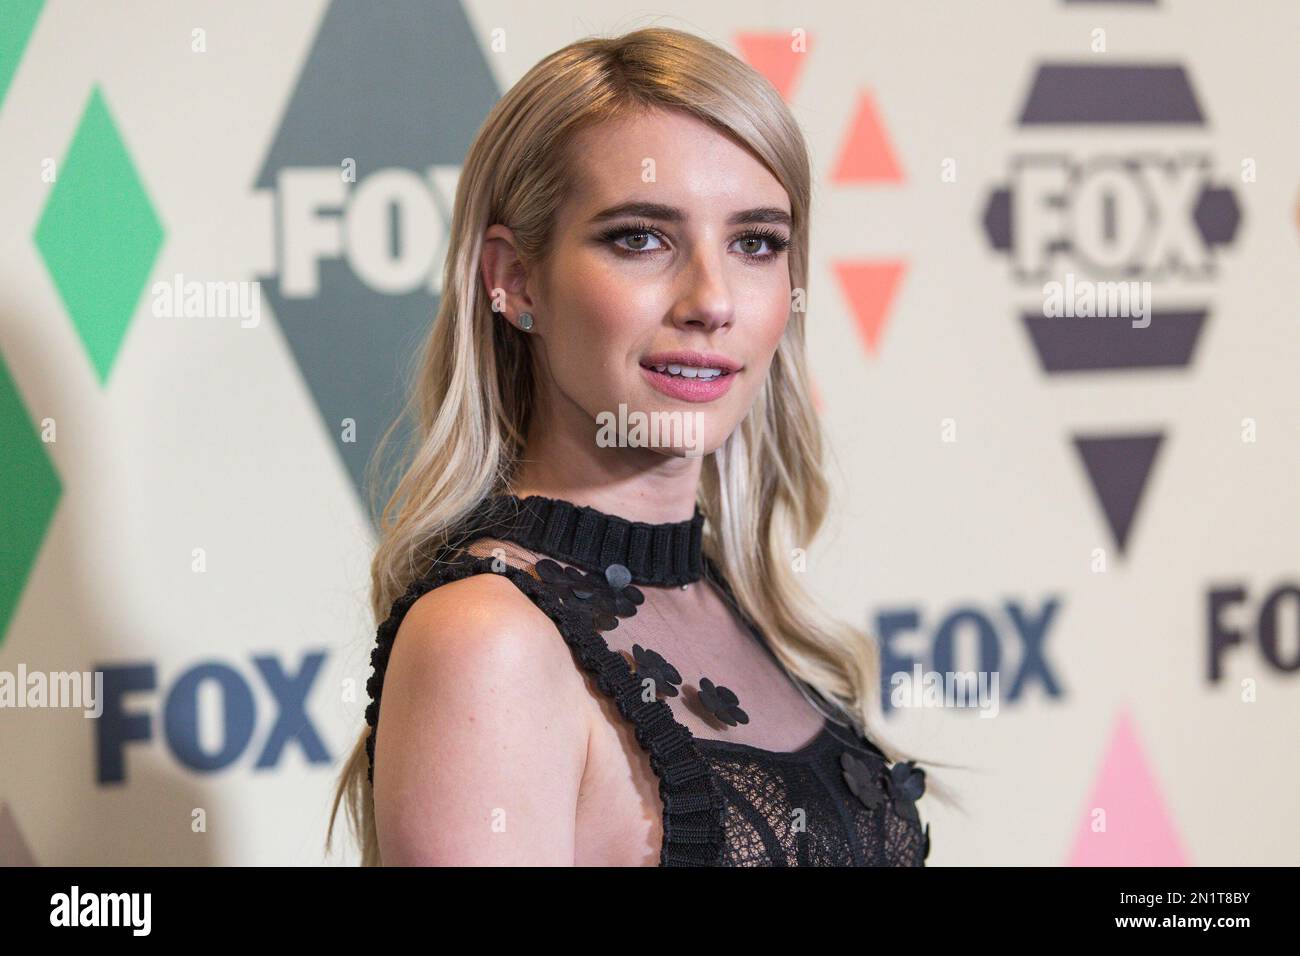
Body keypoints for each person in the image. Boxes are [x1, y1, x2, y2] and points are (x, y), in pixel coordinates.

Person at [328, 26, 942, 866]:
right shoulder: (487, 641)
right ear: (513, 279)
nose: (712, 300)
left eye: (755, 242)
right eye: (641, 238)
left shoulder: (724, 594)